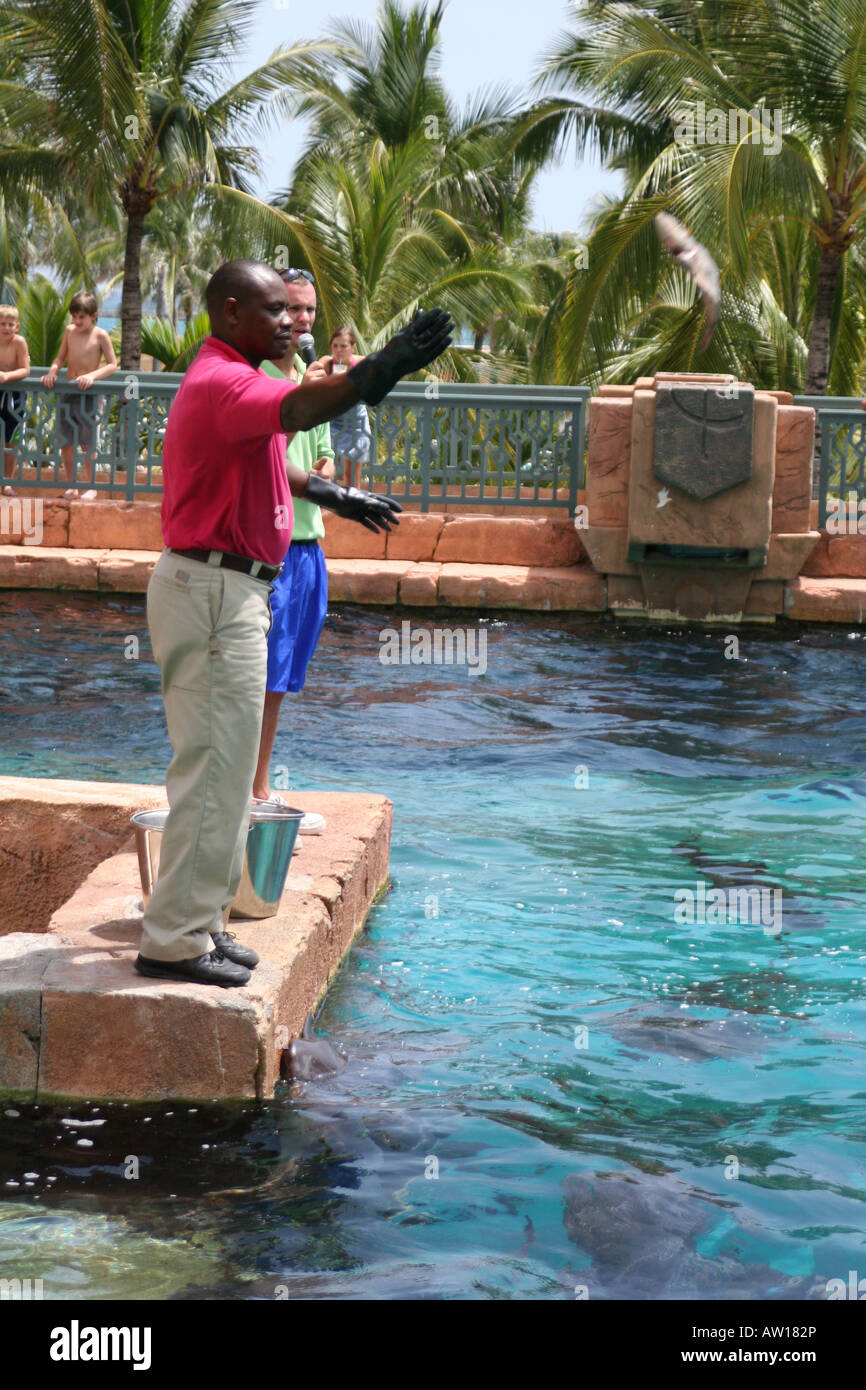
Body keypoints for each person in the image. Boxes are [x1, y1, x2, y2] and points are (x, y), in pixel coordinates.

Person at [135, 259, 452, 989]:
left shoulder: (240, 376)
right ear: (232, 310)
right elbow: (305, 410)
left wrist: (340, 496)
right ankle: (172, 938)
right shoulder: (225, 380)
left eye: (294, 311)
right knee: (213, 767)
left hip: (230, 588)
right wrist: (385, 366)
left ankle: (202, 919)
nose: (290, 322)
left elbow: (284, 461)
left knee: (227, 767)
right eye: (275, 310)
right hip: (213, 589)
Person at [252, 269, 333, 831]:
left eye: (308, 310)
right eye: (290, 308)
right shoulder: (258, 377)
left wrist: (323, 475)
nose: (300, 320)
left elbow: (323, 455)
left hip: (310, 546)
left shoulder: (311, 376)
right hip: (273, 546)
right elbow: (275, 464)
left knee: (282, 676)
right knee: (259, 671)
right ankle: (252, 789)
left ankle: (259, 785)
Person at [42, 291, 117, 499]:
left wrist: (92, 376)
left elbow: (112, 365)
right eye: (74, 316)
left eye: (81, 316)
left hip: (89, 395)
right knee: (66, 442)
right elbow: (59, 358)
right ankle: (71, 486)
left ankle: (91, 486)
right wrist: (52, 371)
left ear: (93, 315)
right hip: (68, 392)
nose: (76, 320)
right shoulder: (69, 331)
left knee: (88, 442)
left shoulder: (101, 335)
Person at [325, 327, 372, 490]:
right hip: (331, 420)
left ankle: (353, 509)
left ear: (352, 347)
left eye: (343, 346)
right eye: (335, 346)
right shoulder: (327, 363)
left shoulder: (362, 363)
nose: (339, 350)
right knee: (324, 470)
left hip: (355, 421)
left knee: (352, 480)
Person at [0, 305, 30, 497]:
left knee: (11, 441)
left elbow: (25, 370)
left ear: (17, 326)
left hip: (15, 397)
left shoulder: (19, 342)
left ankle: (7, 483)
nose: (6, 328)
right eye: (2, 324)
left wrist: (6, 376)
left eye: (10, 324)